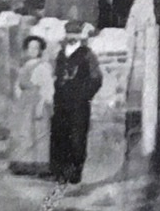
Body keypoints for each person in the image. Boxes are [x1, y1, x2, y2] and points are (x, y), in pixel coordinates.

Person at [49, 21, 103, 184]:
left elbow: (96, 79)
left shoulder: (87, 55)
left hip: (79, 104)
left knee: (77, 137)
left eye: (74, 35)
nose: (71, 38)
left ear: (80, 36)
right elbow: (55, 76)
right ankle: (59, 171)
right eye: (69, 35)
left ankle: (75, 171)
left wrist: (84, 95)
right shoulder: (60, 54)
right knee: (59, 135)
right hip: (60, 102)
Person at [8, 35, 53, 176]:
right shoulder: (25, 66)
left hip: (37, 101)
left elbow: (47, 88)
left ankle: (39, 166)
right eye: (30, 47)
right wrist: (18, 99)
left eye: (36, 48)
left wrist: (41, 105)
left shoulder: (43, 66)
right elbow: (18, 86)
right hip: (25, 103)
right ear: (26, 49)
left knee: (38, 133)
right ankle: (23, 164)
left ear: (40, 50)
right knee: (24, 132)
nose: (33, 50)